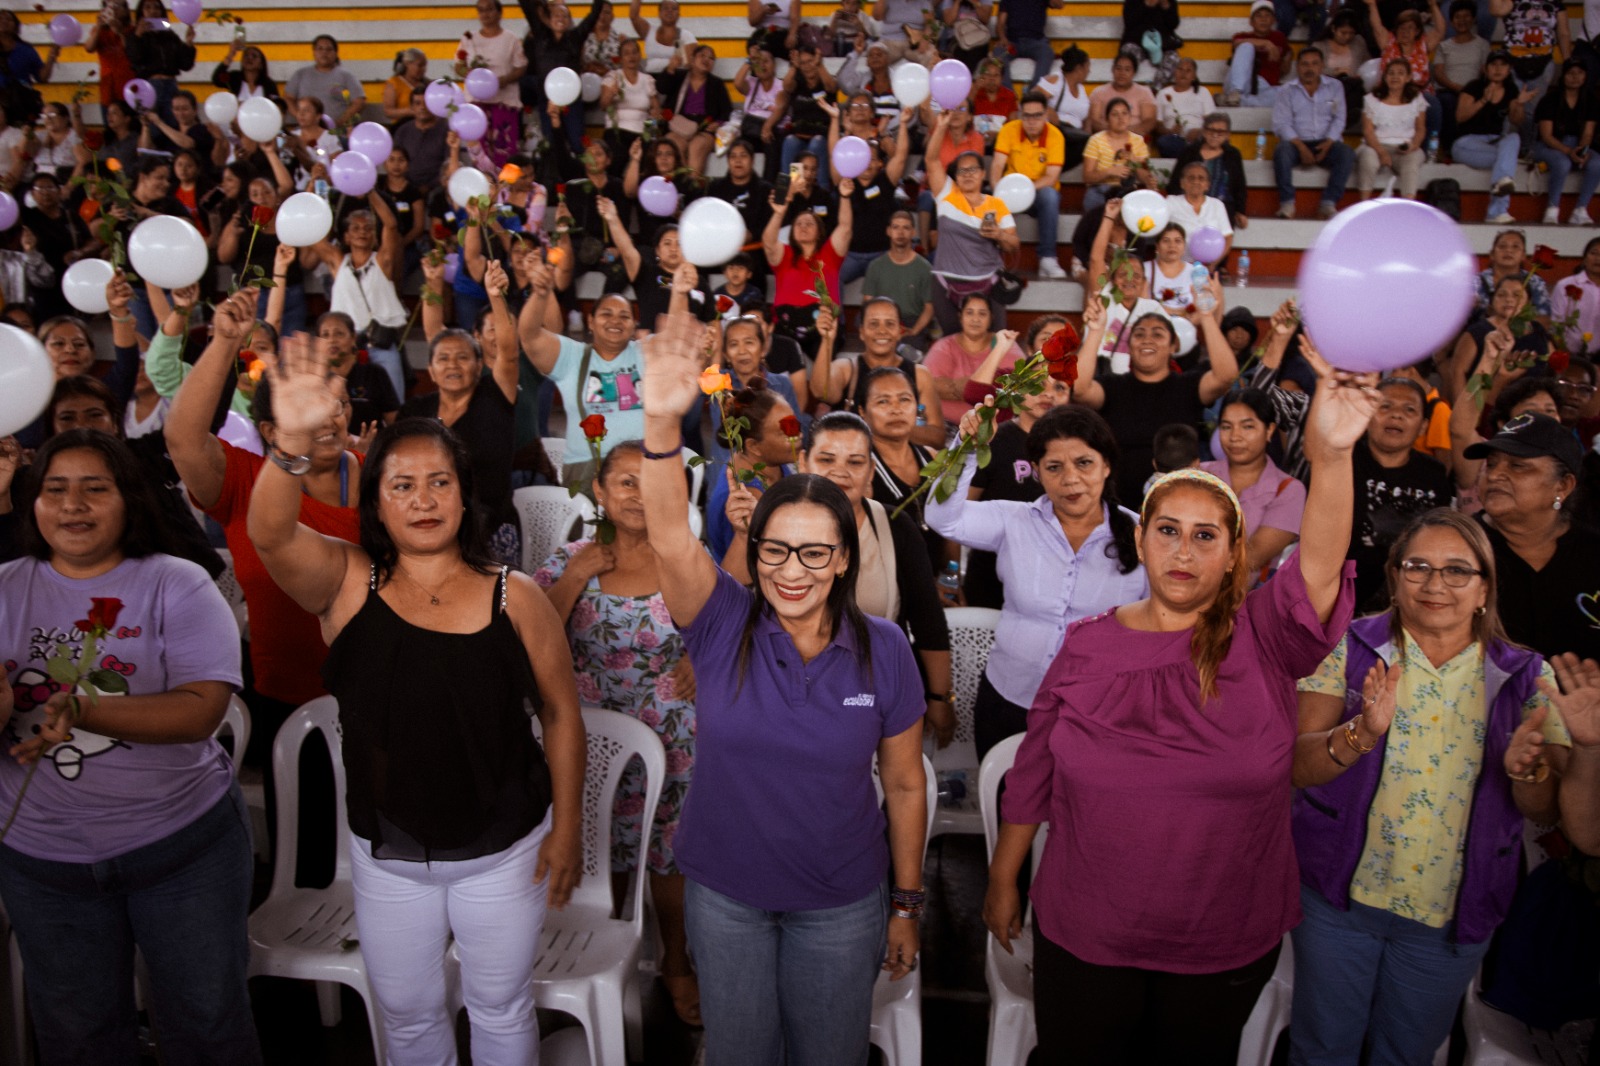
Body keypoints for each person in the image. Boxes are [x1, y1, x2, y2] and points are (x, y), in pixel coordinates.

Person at [985, 355, 1379, 1065]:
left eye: (1206, 536)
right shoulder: (1086, 646)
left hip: (1220, 939)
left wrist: (1333, 453)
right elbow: (1034, 773)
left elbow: (1320, 563)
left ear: (1233, 555)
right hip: (1087, 931)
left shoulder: (1264, 636)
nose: (1184, 552)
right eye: (1167, 530)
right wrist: (1002, 879)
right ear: (1140, 539)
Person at [247, 359, 584, 1064]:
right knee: (406, 1014)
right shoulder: (345, 582)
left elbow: (560, 713)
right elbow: (272, 535)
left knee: (499, 1007)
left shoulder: (516, 596)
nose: (423, 500)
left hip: (505, 850)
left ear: (464, 495)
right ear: (377, 503)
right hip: (388, 856)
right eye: (402, 485)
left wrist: (568, 829)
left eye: (440, 482)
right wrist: (292, 447)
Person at [637, 293, 928, 1066]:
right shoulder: (721, 620)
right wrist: (661, 424)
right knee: (739, 1051)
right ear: (755, 549)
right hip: (725, 897)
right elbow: (669, 536)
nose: (792, 571)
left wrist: (906, 902)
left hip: (842, 903)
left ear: (843, 559)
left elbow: (905, 785)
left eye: (814, 552)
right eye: (775, 550)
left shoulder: (885, 650)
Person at [0, 430, 260, 1065]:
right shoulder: (4, 587)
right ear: (33, 502)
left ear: (129, 499)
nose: (73, 505)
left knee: (206, 1027)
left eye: (96, 488)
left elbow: (201, 710)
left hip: (182, 850)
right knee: (79, 1038)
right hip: (44, 865)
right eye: (55, 489)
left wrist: (85, 710)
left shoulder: (178, 582)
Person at [1290, 508, 1574, 1065]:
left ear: (1484, 589)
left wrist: (1529, 771)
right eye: (1417, 566)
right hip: (1337, 899)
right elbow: (1299, 766)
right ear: (1395, 577)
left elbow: (1544, 812)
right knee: (1322, 1049)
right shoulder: (1349, 646)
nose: (1435, 584)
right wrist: (1360, 733)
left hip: (1450, 916)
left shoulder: (1526, 676)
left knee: (1406, 1056)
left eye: (1457, 570)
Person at [531, 440, 702, 1025]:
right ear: (599, 492)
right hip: (589, 740)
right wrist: (575, 577)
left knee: (670, 859)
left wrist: (700, 656)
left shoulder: (685, 558)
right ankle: (601, 959)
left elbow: (728, 625)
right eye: (624, 482)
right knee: (602, 852)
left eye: (650, 483)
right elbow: (530, 639)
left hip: (673, 738)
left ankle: (676, 961)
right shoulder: (569, 557)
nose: (637, 494)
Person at [929, 400, 1149, 758]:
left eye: (1084, 463)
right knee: (1003, 792)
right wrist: (967, 448)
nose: (1070, 479)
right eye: (1054, 467)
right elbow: (942, 518)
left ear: (1106, 465)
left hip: (1099, 710)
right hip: (1009, 700)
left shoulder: (1143, 534)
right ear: (1036, 472)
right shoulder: (1014, 520)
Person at [1071, 278, 1242, 507]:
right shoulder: (1113, 386)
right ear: (1129, 345)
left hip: (1179, 507)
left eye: (1158, 334)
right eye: (1139, 334)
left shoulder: (1189, 386)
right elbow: (1080, 389)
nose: (1147, 340)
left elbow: (1226, 376)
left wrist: (1207, 316)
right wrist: (1096, 330)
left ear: (1174, 346)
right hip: (1118, 508)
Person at [1461, 403, 1600, 662]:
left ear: (1563, 485)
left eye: (1517, 466)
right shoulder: (1456, 546)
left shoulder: (1593, 553)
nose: (1495, 475)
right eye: (1491, 464)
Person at [519, 260, 644, 482]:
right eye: (606, 314)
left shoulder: (645, 352)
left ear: (634, 325)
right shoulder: (571, 355)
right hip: (585, 469)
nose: (615, 321)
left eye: (624, 316)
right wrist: (540, 294)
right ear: (590, 321)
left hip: (641, 466)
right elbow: (530, 335)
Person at [1347, 376, 1456, 609]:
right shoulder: (1343, 459)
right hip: (1344, 590)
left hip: (1410, 597)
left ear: (1423, 426)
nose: (1396, 415)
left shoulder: (1433, 473)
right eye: (1385, 406)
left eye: (1409, 410)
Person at [923, 115, 1021, 334]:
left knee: (996, 341)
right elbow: (931, 160)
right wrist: (941, 126)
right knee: (953, 341)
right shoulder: (946, 195)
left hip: (988, 281)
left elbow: (1013, 244)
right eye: (962, 171)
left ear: (983, 174)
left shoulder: (997, 204)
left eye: (973, 170)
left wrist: (999, 235)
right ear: (956, 176)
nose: (968, 175)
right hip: (947, 282)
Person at [810, 297, 949, 448]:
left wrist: (890, 427)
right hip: (852, 458)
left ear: (900, 331)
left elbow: (937, 437)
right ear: (861, 332)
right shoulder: (846, 368)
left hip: (901, 460)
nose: (882, 331)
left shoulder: (920, 375)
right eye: (873, 324)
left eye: (890, 324)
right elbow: (820, 392)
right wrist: (827, 339)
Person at [1203, 388, 1305, 584]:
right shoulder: (1199, 475)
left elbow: (1252, 558)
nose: (1235, 436)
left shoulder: (1289, 490)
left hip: (1248, 597)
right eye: (1226, 427)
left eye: (1247, 427)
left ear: (1269, 430)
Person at [706, 384, 799, 563]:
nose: (797, 433)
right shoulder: (746, 500)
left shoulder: (770, 463)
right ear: (753, 446)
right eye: (785, 431)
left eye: (794, 423)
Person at [763, 178, 854, 359]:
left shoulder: (830, 254)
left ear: (820, 232)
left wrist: (844, 197)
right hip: (785, 326)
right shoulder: (785, 254)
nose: (803, 226)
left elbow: (845, 228)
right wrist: (779, 213)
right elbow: (768, 242)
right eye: (798, 224)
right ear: (792, 232)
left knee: (824, 372)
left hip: (823, 326)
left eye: (809, 223)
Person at [991, 91, 1067, 279]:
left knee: (1050, 196)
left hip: (1037, 192)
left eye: (1037, 116)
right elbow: (997, 165)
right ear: (1020, 115)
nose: (1031, 121)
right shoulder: (1009, 129)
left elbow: (1051, 177)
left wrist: (1023, 192)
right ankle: (991, 259)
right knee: (987, 199)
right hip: (1009, 192)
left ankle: (1047, 258)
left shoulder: (1055, 136)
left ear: (1046, 114)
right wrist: (997, 190)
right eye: (1026, 116)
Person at [1273, 47, 1354, 220]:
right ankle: (1287, 203)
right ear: (1297, 67)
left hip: (1327, 142)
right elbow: (1282, 124)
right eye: (1305, 64)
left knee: (1346, 153)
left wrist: (1329, 143)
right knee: (1281, 151)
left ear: (1322, 66)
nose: (1309, 69)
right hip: (1296, 143)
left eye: (1314, 64)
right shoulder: (1286, 90)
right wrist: (1301, 147)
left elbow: (1339, 119)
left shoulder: (1335, 86)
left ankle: (1328, 203)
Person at [1454, 51, 1533, 223]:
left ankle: (1498, 204)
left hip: (1494, 143)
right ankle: (1497, 212)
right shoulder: (1474, 87)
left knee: (1514, 138)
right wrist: (1483, 100)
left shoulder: (1511, 89)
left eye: (1503, 65)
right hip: (1467, 143)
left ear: (1509, 69)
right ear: (1485, 68)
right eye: (1494, 65)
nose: (1498, 69)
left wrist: (1519, 104)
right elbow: (1460, 116)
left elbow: (1516, 121)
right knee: (1506, 160)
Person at [926, 295, 1026, 428]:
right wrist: (984, 387)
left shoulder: (1005, 343)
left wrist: (957, 387)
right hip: (947, 426)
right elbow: (929, 386)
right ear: (960, 317)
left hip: (995, 427)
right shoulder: (944, 346)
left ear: (991, 318)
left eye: (982, 314)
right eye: (969, 312)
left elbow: (1018, 387)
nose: (975, 319)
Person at [457, 0, 527, 169]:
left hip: (503, 101)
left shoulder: (510, 39)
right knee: (479, 154)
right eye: (481, 10)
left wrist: (505, 79)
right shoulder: (469, 39)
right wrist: (470, 74)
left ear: (499, 12)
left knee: (505, 151)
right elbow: (459, 65)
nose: (485, 14)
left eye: (489, 9)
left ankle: (506, 184)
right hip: (477, 103)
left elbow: (521, 67)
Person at [1532, 59, 1600, 225]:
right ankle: (1552, 208)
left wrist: (1582, 151)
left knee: (1597, 163)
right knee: (1562, 163)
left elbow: (1588, 132)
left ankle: (1580, 209)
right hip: (1549, 146)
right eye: (1571, 73)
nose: (1575, 77)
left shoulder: (1591, 99)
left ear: (1585, 76)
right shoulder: (1550, 99)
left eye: (1580, 73)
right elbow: (1546, 136)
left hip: (1577, 144)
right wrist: (1569, 152)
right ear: (1563, 76)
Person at [1357, 57, 1429, 201]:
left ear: (1408, 78)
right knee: (1368, 159)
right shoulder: (1372, 99)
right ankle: (1364, 204)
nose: (1395, 77)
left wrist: (1413, 145)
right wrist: (1382, 152)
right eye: (1391, 73)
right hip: (1376, 145)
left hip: (1405, 146)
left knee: (1411, 162)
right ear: (1385, 77)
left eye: (1400, 73)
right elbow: (1368, 131)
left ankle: (1408, 205)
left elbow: (1421, 129)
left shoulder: (1417, 99)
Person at [1167, 113, 1250, 233]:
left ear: (1227, 134)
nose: (1215, 135)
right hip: (1189, 208)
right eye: (1211, 131)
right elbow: (1175, 182)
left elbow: (1239, 185)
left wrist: (1240, 211)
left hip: (1222, 210)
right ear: (1204, 132)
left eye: (1220, 132)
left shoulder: (1233, 154)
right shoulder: (1189, 152)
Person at [863, 211, 936, 347]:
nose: (900, 233)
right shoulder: (875, 266)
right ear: (888, 231)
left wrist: (914, 331)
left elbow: (929, 308)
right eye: (896, 227)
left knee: (909, 353)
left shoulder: (925, 268)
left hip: (911, 322)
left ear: (913, 232)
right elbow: (868, 303)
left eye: (906, 228)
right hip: (882, 319)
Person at [656, 43, 731, 173]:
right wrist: (670, 69)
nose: (706, 60)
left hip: (703, 129)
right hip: (678, 127)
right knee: (673, 145)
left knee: (696, 147)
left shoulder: (717, 84)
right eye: (702, 55)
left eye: (711, 58)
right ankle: (681, 182)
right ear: (692, 59)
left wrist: (717, 124)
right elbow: (661, 88)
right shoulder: (679, 76)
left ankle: (692, 183)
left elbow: (727, 111)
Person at [126, 0, 196, 123]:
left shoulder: (170, 35)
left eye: (157, 8)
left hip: (170, 84)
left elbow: (185, 65)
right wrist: (138, 35)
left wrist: (189, 44)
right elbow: (135, 59)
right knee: (153, 126)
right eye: (147, 8)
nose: (153, 11)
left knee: (173, 123)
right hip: (150, 85)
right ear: (141, 12)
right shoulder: (134, 35)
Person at [1081, 97, 1154, 216]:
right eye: (1115, 114)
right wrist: (1109, 171)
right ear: (1107, 119)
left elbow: (1144, 177)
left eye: (1124, 113)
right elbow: (1087, 177)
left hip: (1127, 190)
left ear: (1130, 117)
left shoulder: (1138, 141)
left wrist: (1134, 160)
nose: (1121, 118)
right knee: (1094, 202)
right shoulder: (1095, 140)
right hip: (1100, 190)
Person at [1432, 0, 1490, 148]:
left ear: (1474, 19)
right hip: (1449, 90)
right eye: (1457, 17)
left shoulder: (1483, 45)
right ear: (1451, 21)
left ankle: (1471, 144)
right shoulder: (1443, 46)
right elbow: (1438, 73)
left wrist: (1469, 91)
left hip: (1473, 91)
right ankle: (1450, 148)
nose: (1462, 20)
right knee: (1447, 101)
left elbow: (1485, 72)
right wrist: (1456, 87)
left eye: (1466, 16)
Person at [599, 38, 659, 170]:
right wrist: (611, 94)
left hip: (641, 132)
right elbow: (603, 105)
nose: (631, 56)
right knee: (616, 158)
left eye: (634, 52)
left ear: (640, 55)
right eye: (626, 53)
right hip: (617, 131)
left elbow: (656, 111)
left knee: (648, 159)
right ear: (620, 58)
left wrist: (652, 128)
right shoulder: (612, 77)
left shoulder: (647, 80)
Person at [284, 35, 366, 130]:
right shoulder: (301, 74)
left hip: (337, 131)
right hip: (306, 131)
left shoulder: (346, 76)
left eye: (329, 49)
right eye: (320, 48)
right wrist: (300, 117)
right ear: (314, 52)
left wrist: (339, 123)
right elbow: (288, 98)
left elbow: (359, 102)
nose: (324, 52)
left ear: (336, 53)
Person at [1221, 0, 1292, 107]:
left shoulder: (1279, 38)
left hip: (1266, 88)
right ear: (1251, 21)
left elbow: (1286, 63)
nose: (1263, 19)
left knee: (1286, 95)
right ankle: (1236, 93)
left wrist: (1288, 56)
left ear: (1273, 20)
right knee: (1246, 46)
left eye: (1267, 15)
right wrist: (1266, 43)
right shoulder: (1241, 36)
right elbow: (1236, 44)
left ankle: (1236, 101)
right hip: (1242, 83)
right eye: (1259, 16)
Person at [1164, 160, 1235, 259]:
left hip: (1208, 264)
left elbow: (1227, 237)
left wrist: (1213, 264)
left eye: (1201, 178)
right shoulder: (1171, 202)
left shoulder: (1217, 205)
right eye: (1191, 178)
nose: (1196, 181)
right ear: (1182, 183)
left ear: (1207, 185)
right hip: (1176, 264)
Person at [1154, 58, 1215, 158]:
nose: (1183, 73)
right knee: (1164, 141)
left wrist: (1199, 132)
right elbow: (1158, 124)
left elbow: (1212, 122)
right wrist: (1169, 132)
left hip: (1198, 138)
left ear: (1194, 76)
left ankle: (1189, 154)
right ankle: (1189, 155)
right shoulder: (1163, 93)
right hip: (1174, 140)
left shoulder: (1203, 92)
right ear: (1174, 72)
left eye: (1188, 70)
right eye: (1180, 69)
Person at [1087, 50, 1157, 135]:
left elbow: (1149, 122)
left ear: (1134, 73)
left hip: (1135, 138)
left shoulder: (1144, 92)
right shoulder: (1098, 92)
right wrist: (1114, 133)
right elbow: (1094, 121)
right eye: (1118, 68)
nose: (1122, 73)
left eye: (1127, 69)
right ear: (1113, 70)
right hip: (1105, 138)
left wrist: (1125, 134)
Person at [1550, 235, 1600, 350]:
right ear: (1584, 258)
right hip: (1569, 354)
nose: (1598, 258)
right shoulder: (1565, 286)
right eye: (1594, 253)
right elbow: (1556, 324)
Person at [84, 0, 136, 110]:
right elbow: (89, 48)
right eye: (109, 6)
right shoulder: (100, 31)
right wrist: (99, 26)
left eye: (117, 6)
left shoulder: (133, 30)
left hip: (130, 85)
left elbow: (132, 52)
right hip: (108, 86)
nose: (114, 9)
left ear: (126, 11)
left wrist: (120, 32)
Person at [211, 41, 278, 103]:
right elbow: (216, 79)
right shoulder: (234, 78)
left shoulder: (269, 84)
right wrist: (231, 53)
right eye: (246, 55)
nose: (249, 58)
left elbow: (276, 106)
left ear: (261, 64)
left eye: (254, 56)